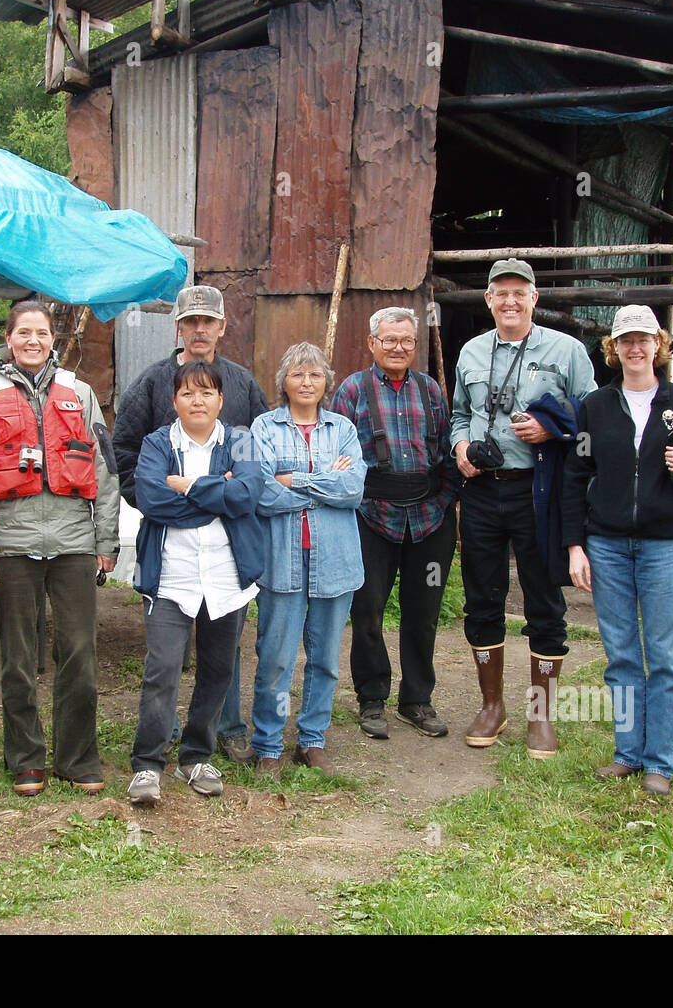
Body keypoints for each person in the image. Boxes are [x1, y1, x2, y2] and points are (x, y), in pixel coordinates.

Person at [562, 306, 673, 796]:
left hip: (664, 543)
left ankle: (661, 761)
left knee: (667, 655)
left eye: (644, 339)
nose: (635, 349)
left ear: (659, 344)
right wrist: (575, 545)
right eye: (625, 341)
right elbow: (576, 477)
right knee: (621, 656)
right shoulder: (595, 406)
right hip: (607, 544)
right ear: (614, 348)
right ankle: (628, 753)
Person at [0, 300, 120, 798]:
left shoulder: (80, 393)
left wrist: (106, 539)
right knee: (18, 658)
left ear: (53, 339)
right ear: (8, 338)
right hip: (9, 544)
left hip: (74, 543)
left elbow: (105, 469)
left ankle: (77, 758)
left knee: (79, 652)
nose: (33, 341)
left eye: (42, 333)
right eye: (23, 332)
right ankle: (26, 758)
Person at [113, 284, 270, 765]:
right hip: (171, 547)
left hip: (227, 551)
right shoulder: (153, 381)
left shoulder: (242, 383)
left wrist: (194, 491)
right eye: (191, 321)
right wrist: (162, 502)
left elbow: (252, 473)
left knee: (223, 654)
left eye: (209, 321)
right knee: (165, 657)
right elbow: (125, 451)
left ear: (222, 327)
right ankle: (164, 737)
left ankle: (227, 728)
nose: (200, 329)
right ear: (178, 326)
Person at [451, 258, 596, 756]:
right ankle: (493, 706)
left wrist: (553, 429)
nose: (510, 301)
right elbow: (458, 416)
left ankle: (541, 714)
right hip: (482, 491)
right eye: (500, 293)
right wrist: (461, 451)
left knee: (543, 600)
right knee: (482, 596)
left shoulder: (567, 350)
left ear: (535, 298)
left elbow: (593, 414)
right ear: (487, 300)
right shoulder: (470, 352)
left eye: (520, 292)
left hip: (540, 489)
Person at [126, 362, 266, 804]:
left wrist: (188, 487)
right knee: (162, 669)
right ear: (175, 402)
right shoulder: (156, 442)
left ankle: (196, 754)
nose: (198, 400)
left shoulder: (240, 440)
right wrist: (215, 496)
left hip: (227, 579)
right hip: (172, 578)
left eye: (207, 393)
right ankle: (148, 763)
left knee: (218, 670)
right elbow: (150, 498)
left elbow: (246, 495)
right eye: (188, 393)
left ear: (221, 400)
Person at [331, 307, 457, 740]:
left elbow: (444, 450)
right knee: (367, 612)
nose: (398, 348)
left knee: (424, 613)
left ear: (414, 345)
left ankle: (417, 700)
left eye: (406, 341)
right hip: (370, 517)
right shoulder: (352, 391)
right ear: (372, 343)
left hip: (429, 520)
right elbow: (336, 457)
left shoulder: (430, 390)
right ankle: (371, 699)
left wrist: (446, 503)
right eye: (389, 340)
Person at [251, 343, 366, 778]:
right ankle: (268, 745)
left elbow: (353, 489)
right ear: (283, 381)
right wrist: (326, 481)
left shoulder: (343, 429)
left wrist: (294, 479)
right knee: (276, 657)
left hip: (335, 561)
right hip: (280, 559)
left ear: (326, 382)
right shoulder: (263, 427)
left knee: (325, 659)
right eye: (297, 374)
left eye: (315, 375)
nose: (306, 382)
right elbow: (262, 492)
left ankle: (312, 739)